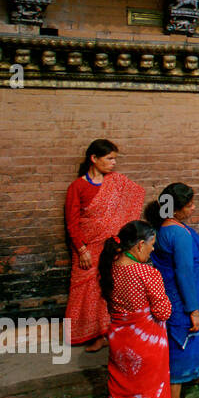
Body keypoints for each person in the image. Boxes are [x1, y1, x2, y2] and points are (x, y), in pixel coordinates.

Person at [100, 219, 178, 398]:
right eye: (152, 245)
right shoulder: (147, 273)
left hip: (120, 343)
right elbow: (163, 310)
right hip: (146, 346)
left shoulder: (110, 268)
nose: (153, 251)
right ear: (141, 244)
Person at [64, 139, 146, 352]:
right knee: (86, 290)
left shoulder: (116, 181)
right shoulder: (78, 187)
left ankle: (107, 332)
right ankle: (90, 334)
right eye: (109, 158)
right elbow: (72, 223)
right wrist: (82, 249)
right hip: (88, 248)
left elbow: (135, 197)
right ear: (94, 158)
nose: (113, 163)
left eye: (115, 159)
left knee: (108, 288)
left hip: (111, 247)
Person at [149, 182, 199, 398]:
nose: (193, 208)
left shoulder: (166, 229)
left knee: (179, 347)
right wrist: (193, 310)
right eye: (189, 205)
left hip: (176, 295)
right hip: (183, 298)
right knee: (180, 350)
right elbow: (184, 272)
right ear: (175, 210)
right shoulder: (178, 233)